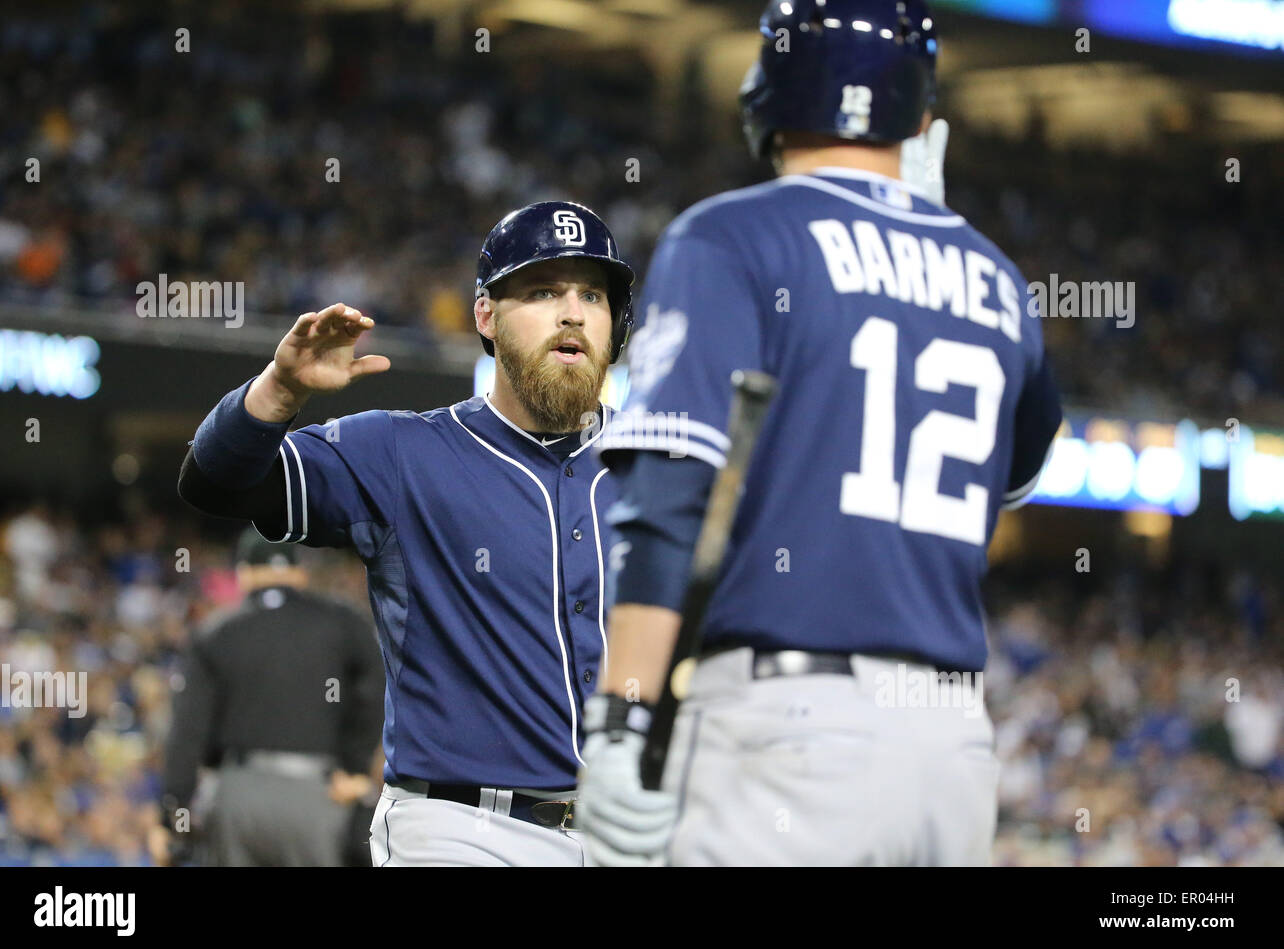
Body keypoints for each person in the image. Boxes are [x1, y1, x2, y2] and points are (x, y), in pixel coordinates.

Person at [576, 0, 1062, 866]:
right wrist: (937, 266)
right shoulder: (998, 277)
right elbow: (1020, 471)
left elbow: (666, 502)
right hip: (953, 753)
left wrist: (623, 714)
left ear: (771, 86)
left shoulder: (730, 234)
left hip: (791, 733)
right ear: (921, 114)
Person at [177, 201, 635, 866]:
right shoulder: (400, 452)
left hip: (630, 834)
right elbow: (212, 482)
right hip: (463, 830)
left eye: (592, 294)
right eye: (542, 290)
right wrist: (279, 389)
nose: (572, 312)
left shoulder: (658, 464)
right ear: (486, 315)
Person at [151, 529, 384, 866]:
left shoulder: (214, 632)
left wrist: (171, 816)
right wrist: (356, 767)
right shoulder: (344, 623)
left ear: (244, 573)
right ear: (298, 572)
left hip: (236, 796)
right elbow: (375, 686)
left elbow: (186, 732)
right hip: (317, 796)